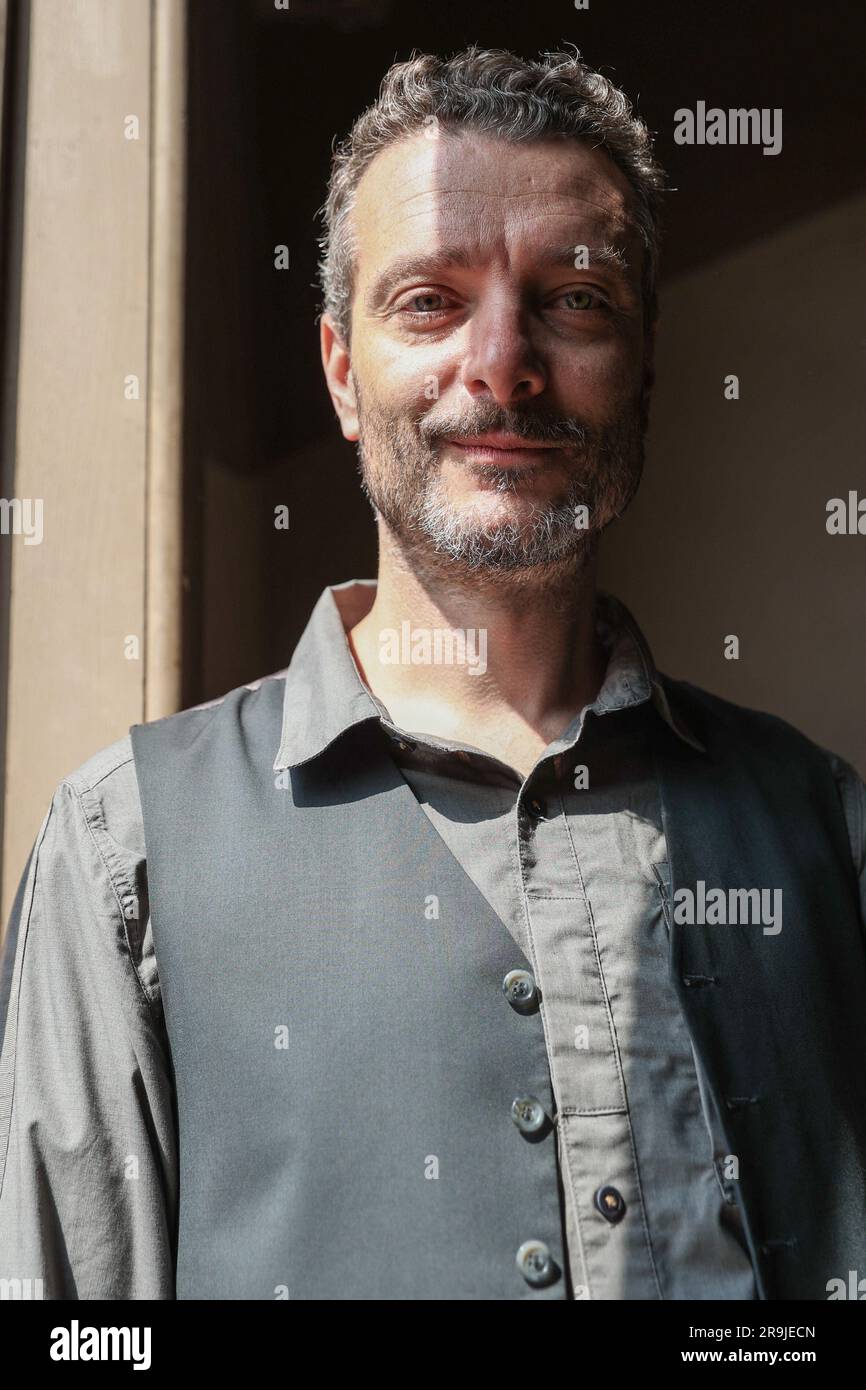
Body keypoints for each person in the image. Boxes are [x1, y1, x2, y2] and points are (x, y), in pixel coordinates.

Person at [1, 45, 864, 1302]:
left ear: (644, 371)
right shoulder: (121, 850)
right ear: (342, 373)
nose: (502, 363)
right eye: (428, 302)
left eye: (573, 300)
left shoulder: (825, 831)